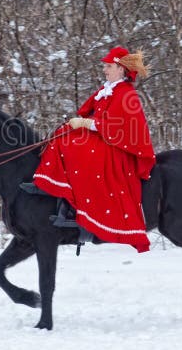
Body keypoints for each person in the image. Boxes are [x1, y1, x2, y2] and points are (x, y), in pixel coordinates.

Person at [33, 46, 155, 253]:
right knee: (63, 135)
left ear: (121, 69)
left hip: (117, 148)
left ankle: (74, 203)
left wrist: (87, 124)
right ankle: (54, 189)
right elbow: (91, 112)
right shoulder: (108, 89)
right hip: (103, 139)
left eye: (109, 66)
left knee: (71, 146)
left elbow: (121, 129)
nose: (105, 70)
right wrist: (82, 121)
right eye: (106, 66)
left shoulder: (127, 95)